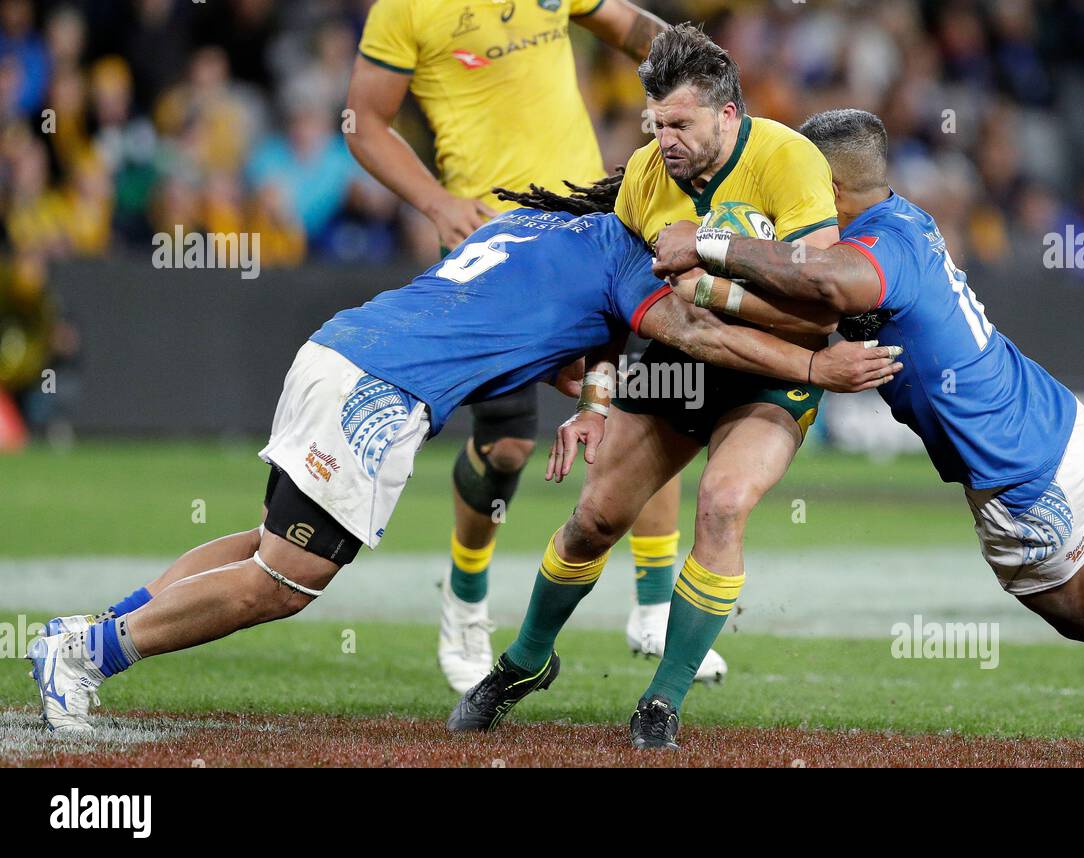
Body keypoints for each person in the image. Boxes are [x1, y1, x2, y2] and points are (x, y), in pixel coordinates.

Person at [28, 204, 902, 734]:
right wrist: (816, 368)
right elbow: (694, 333)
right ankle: (86, 655)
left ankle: (92, 627)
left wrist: (593, 404)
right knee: (284, 582)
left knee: (270, 543)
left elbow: (549, 335)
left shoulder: (534, 226)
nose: (689, 238)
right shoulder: (628, 260)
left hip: (340, 350)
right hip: (381, 391)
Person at [648, 108, 1084, 748]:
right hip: (1039, 413)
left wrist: (709, 245)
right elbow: (815, 304)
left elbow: (827, 284)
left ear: (828, 187)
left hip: (1008, 460)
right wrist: (709, 293)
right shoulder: (902, 218)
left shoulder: (872, 249)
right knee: (1081, 505)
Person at [445, 25, 891, 746]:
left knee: (720, 506)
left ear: (728, 116)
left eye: (680, 123)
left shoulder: (788, 159)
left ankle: (663, 699)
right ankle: (526, 661)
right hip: (682, 360)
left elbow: (822, 302)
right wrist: (594, 401)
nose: (665, 140)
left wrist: (712, 272)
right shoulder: (646, 178)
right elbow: (611, 304)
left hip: (774, 372)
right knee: (593, 520)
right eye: (656, 123)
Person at [344, 0, 679, 691]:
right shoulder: (403, 10)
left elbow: (631, 30)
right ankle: (466, 599)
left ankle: (655, 608)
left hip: (592, 224)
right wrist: (437, 203)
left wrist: (697, 65)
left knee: (650, 399)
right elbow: (363, 123)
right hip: (492, 239)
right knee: (507, 447)